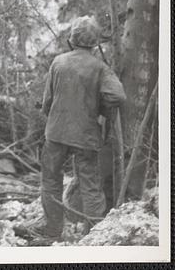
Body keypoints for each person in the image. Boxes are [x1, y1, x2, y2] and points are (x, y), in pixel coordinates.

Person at [23, 15, 126, 243]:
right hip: (86, 135)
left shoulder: (58, 62)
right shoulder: (100, 67)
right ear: (94, 42)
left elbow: (47, 101)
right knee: (90, 184)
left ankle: (52, 233)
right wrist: (99, 107)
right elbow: (117, 95)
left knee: (50, 181)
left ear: (72, 39)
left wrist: (53, 115)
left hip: (56, 133)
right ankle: (95, 236)